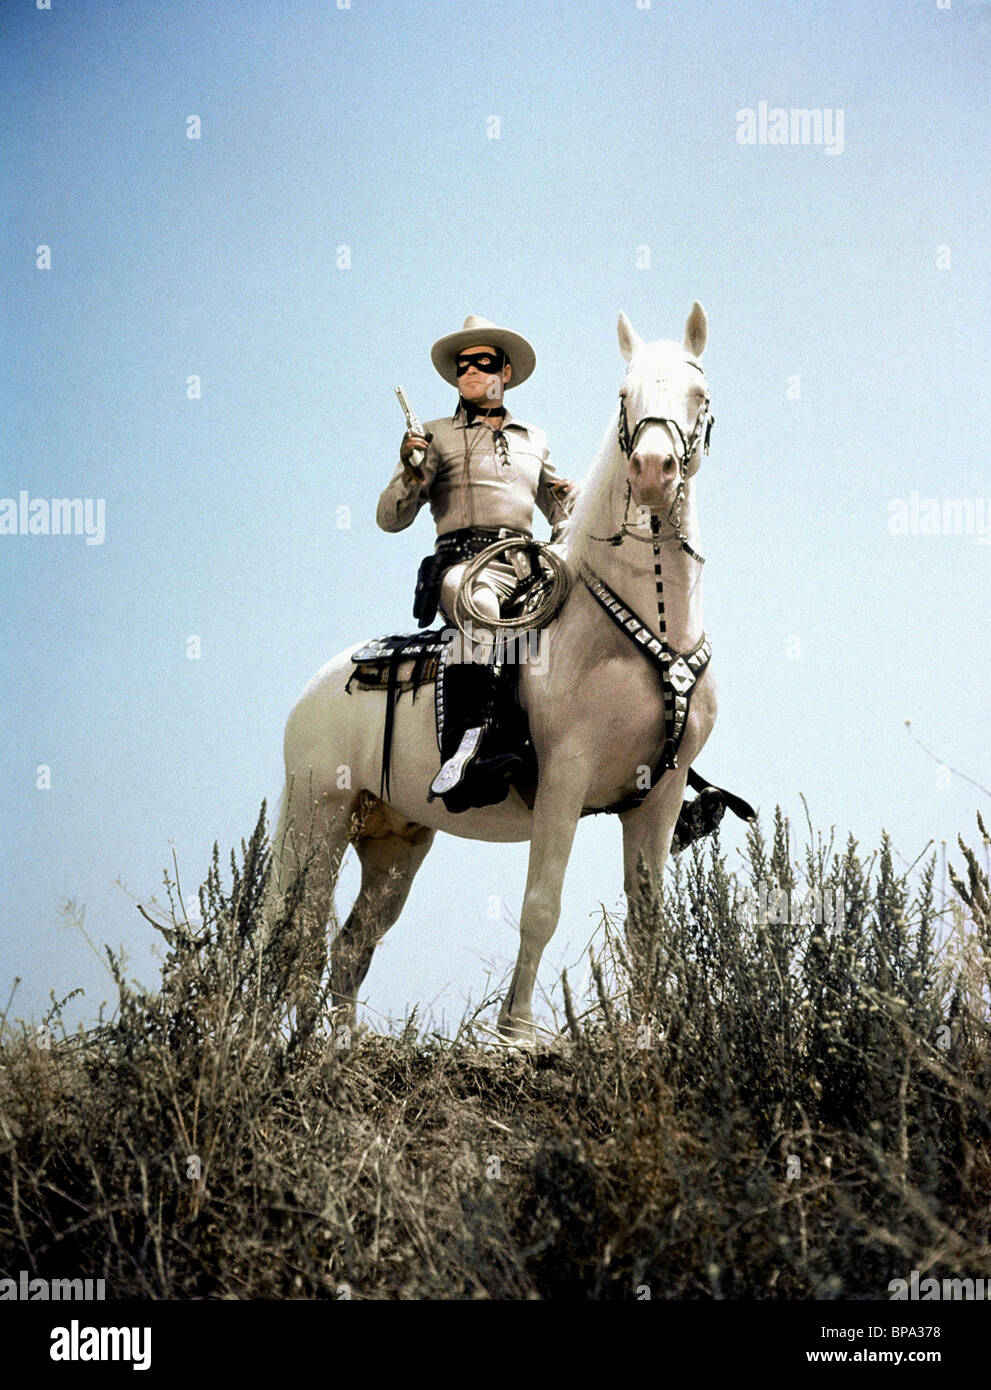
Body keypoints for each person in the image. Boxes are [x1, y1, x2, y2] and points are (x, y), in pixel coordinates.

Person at [377, 315, 576, 811]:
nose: (469, 370)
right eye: (462, 364)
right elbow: (389, 518)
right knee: (482, 605)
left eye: (482, 361)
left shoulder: (535, 439)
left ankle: (657, 773)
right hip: (463, 567)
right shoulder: (434, 437)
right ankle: (466, 752)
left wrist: (575, 512)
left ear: (504, 372)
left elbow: (561, 509)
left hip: (530, 569)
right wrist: (409, 473)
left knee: (598, 621)